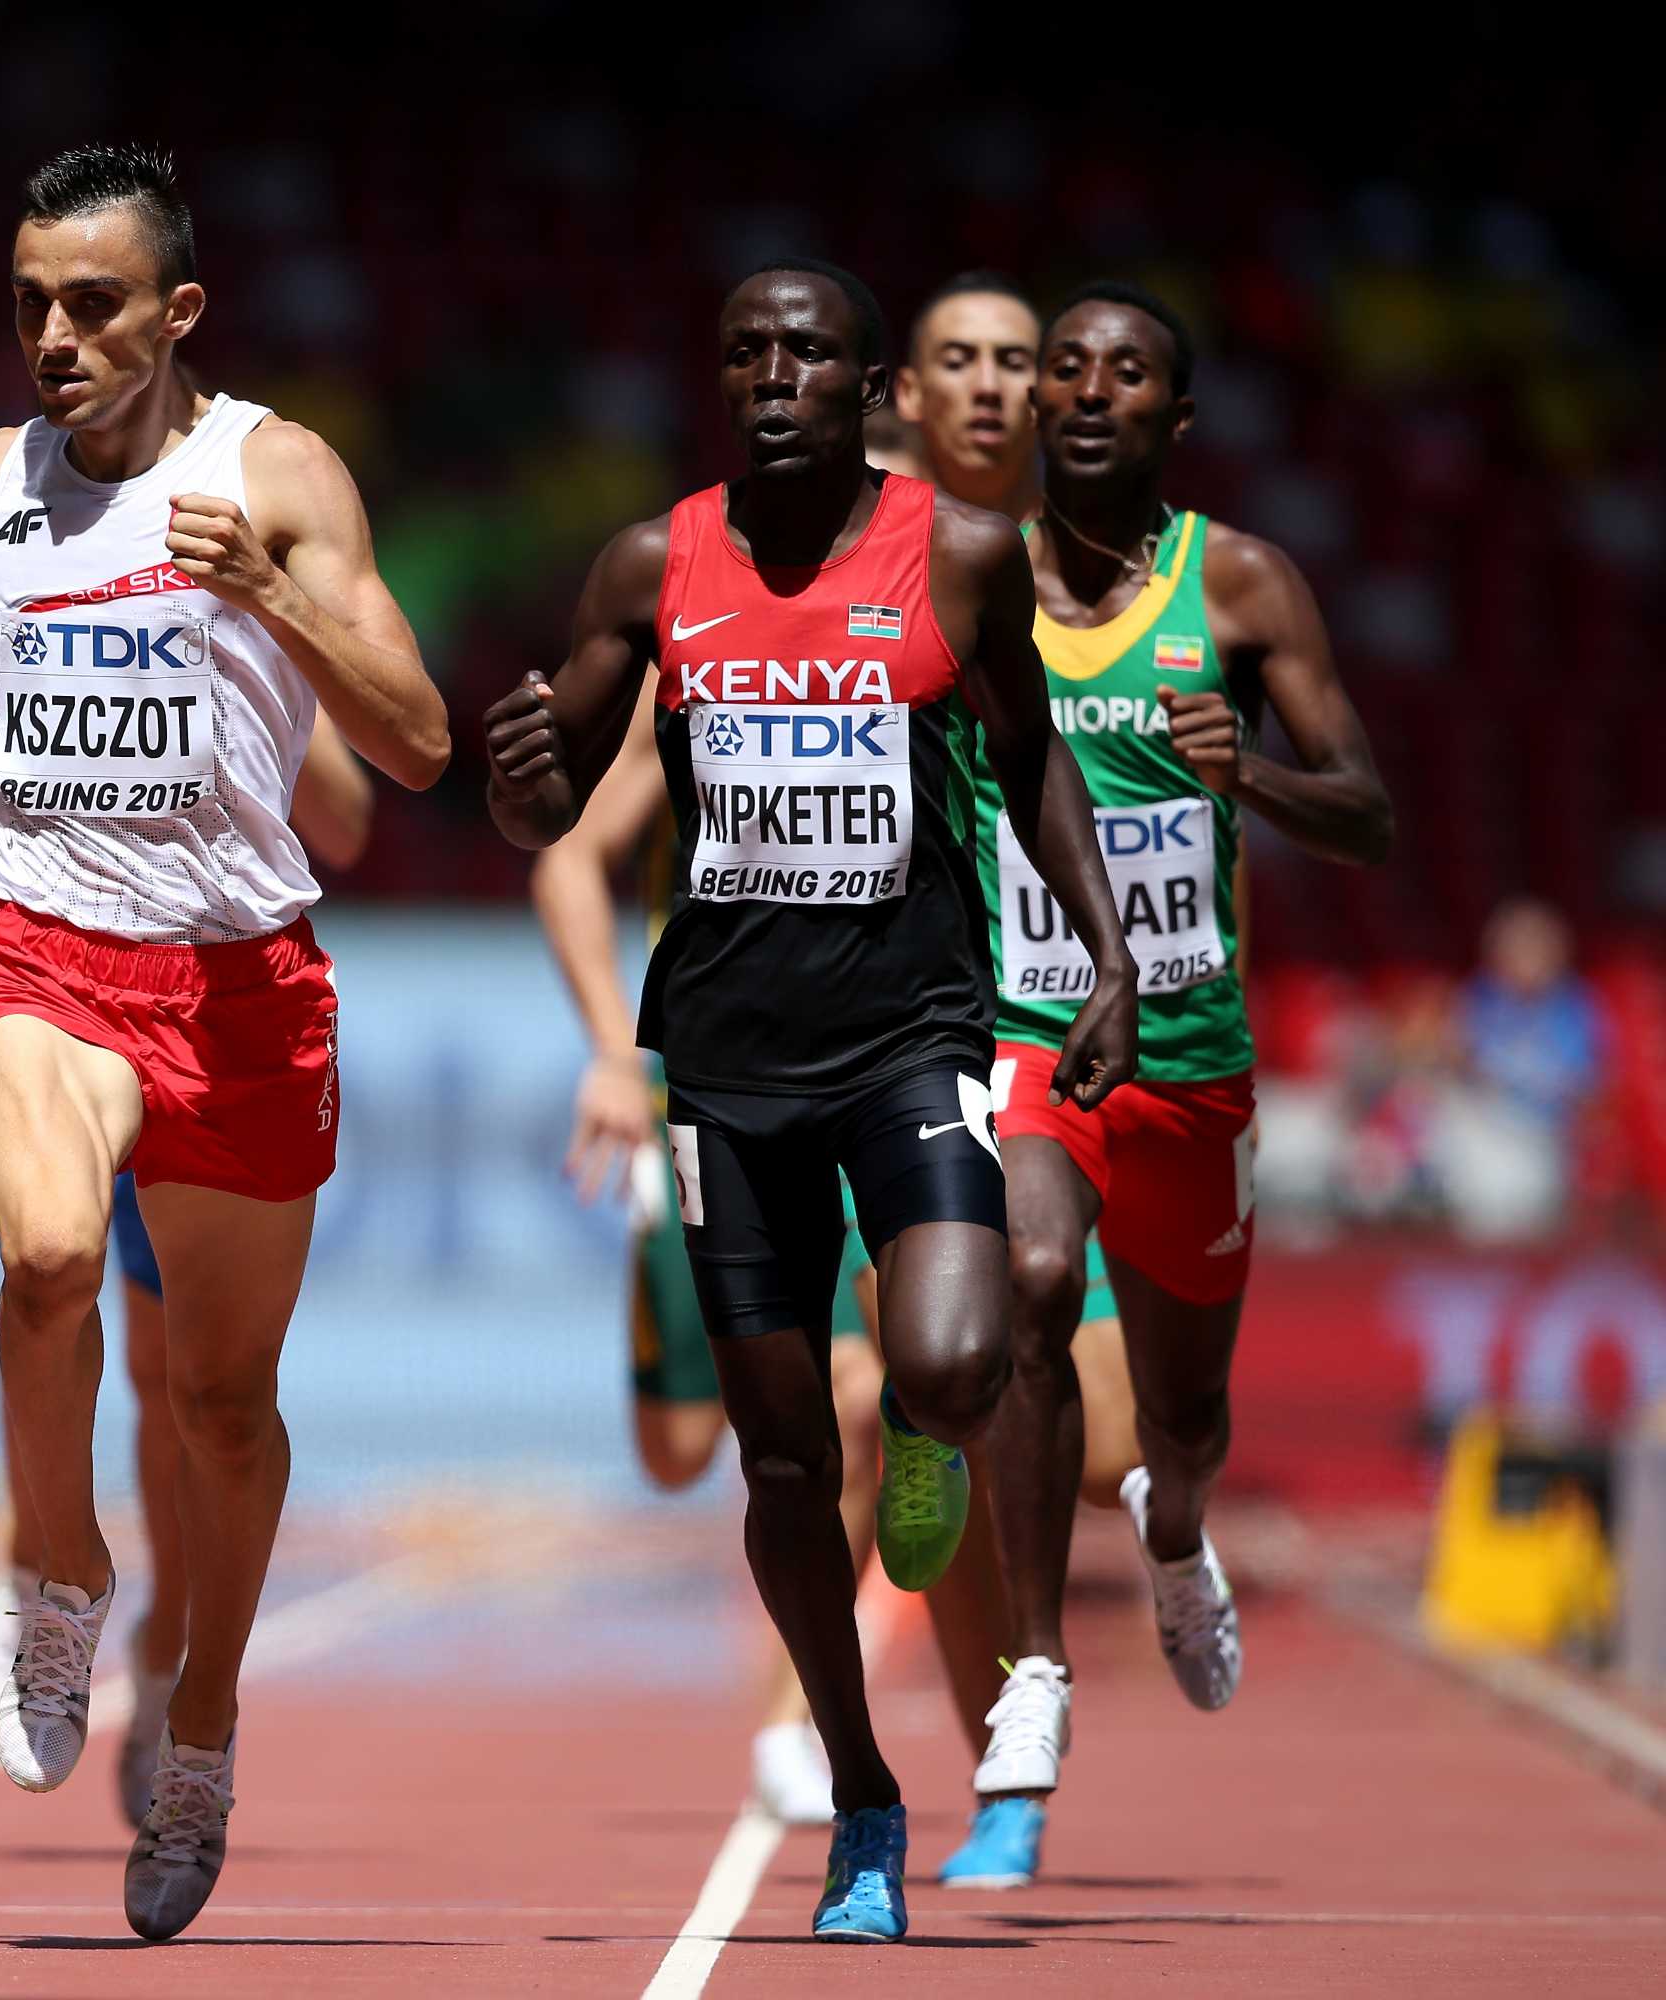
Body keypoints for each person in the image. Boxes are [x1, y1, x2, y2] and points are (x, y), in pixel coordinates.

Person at [0, 144, 448, 1940]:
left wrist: (271, 590)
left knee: (225, 1408)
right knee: (48, 1254)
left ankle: (203, 1724)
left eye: (91, 304)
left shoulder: (277, 474)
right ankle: (56, 1572)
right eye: (29, 303)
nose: (54, 337)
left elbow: (413, 746)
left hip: (240, 988)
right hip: (43, 958)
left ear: (178, 313)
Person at [484, 258, 1137, 1944]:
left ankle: (927, 1431)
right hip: (724, 1068)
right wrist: (521, 775)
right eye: (748, 355)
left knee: (942, 1356)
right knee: (777, 1468)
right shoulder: (656, 562)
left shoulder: (962, 558)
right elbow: (549, 796)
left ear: (865, 386)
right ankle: (861, 1793)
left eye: (812, 355)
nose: (777, 378)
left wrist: (1109, 957)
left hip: (910, 1041)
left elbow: (1039, 758)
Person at [969, 283, 1391, 1822]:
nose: (1086, 392)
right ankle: (1033, 1673)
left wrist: (1256, 781)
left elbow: (1374, 810)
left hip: (1195, 1061)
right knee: (1025, 1284)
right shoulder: (971, 586)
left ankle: (1171, 1538)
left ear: (1174, 417)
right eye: (1063, 370)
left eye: (1125, 374)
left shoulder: (1245, 590)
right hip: (1033, 1033)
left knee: (1185, 1420)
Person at [0, 605, 376, 1834]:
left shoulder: (246, 621)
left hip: (213, 1021)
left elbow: (348, 817)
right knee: (48, 1269)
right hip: (58, 988)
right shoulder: (27, 581)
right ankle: (39, 1570)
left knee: (192, 1386)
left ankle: (170, 1656)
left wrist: (258, 717)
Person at [886, 271, 1148, 1890]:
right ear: (901, 396)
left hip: (1058, 1026)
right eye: (957, 363)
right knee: (935, 1394)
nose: (993, 388)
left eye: (1015, 364)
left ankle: (1035, 1656)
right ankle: (1005, 1767)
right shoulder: (838, 554)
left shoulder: (1102, 570)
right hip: (893, 1035)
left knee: (1068, 1399)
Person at [529, 665, 885, 1827]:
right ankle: (675, 1320)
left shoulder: (928, 660)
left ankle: (798, 1714)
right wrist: (613, 1049)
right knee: (684, 1448)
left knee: (857, 1391)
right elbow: (571, 857)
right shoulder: (696, 666)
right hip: (708, 1080)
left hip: (872, 1066)